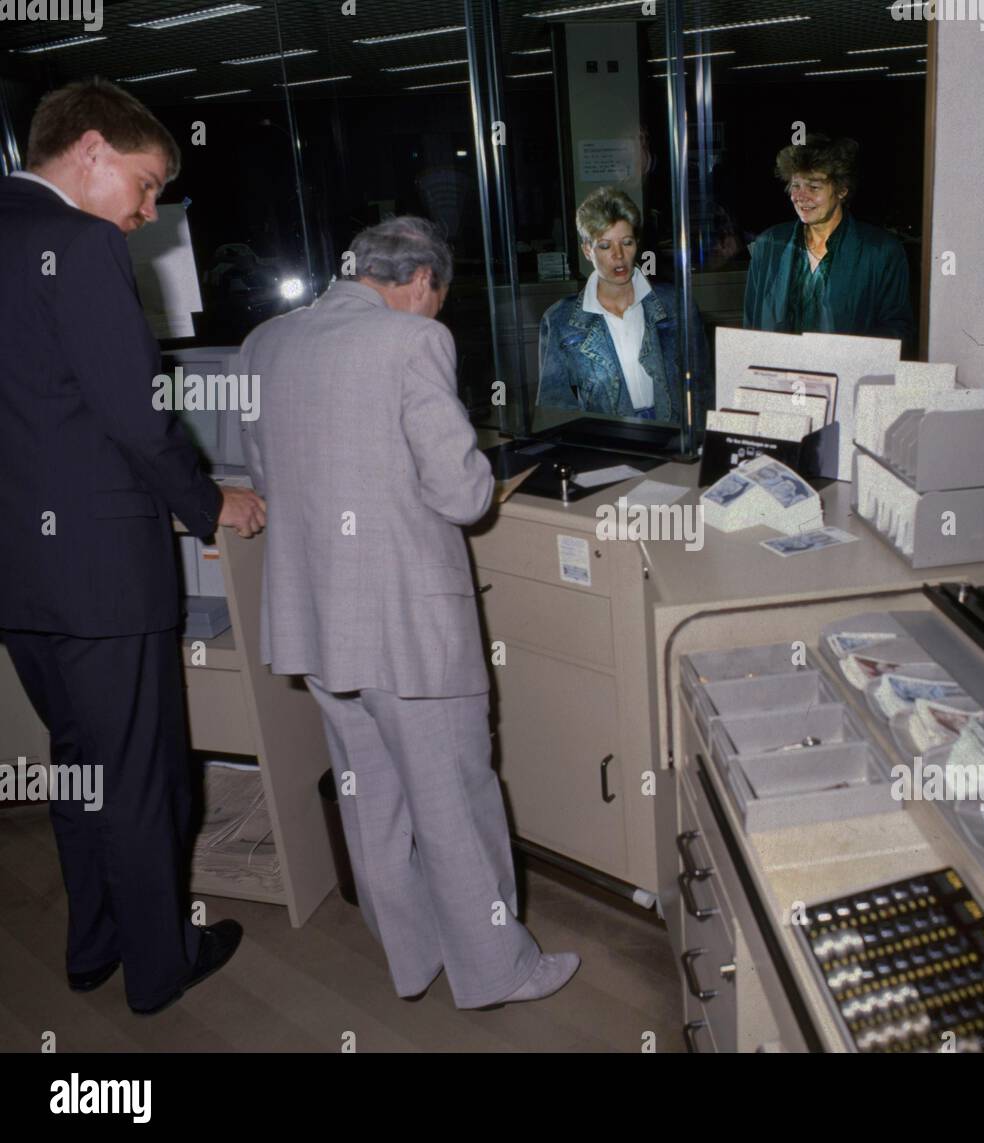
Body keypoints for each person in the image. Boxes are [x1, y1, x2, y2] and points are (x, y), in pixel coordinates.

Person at [237, 216, 579, 1008]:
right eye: (438, 297)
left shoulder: (264, 345)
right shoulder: (409, 342)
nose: (435, 311)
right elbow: (461, 495)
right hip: (409, 631)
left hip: (320, 625)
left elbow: (270, 473)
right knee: (455, 802)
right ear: (420, 281)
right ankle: (500, 970)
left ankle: (414, 959)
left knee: (373, 802)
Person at [0, 78, 265, 1015]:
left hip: (21, 581)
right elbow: (137, 414)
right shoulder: (77, 242)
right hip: (101, 581)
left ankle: (93, 942)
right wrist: (212, 504)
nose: (147, 214)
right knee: (144, 776)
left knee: (77, 761)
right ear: (94, 151)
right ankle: (160, 965)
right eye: (147, 187)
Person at [537, 186, 710, 424]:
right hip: (604, 441)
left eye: (626, 242)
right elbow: (554, 407)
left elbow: (701, 389)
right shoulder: (559, 320)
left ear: (637, 243)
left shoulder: (676, 305)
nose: (619, 256)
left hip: (672, 435)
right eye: (606, 246)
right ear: (588, 250)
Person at [743, 135, 915, 345]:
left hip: (848, 375)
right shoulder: (768, 244)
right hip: (780, 374)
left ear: (842, 190)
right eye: (796, 185)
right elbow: (751, 325)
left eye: (814, 187)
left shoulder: (881, 251)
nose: (801, 196)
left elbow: (898, 330)